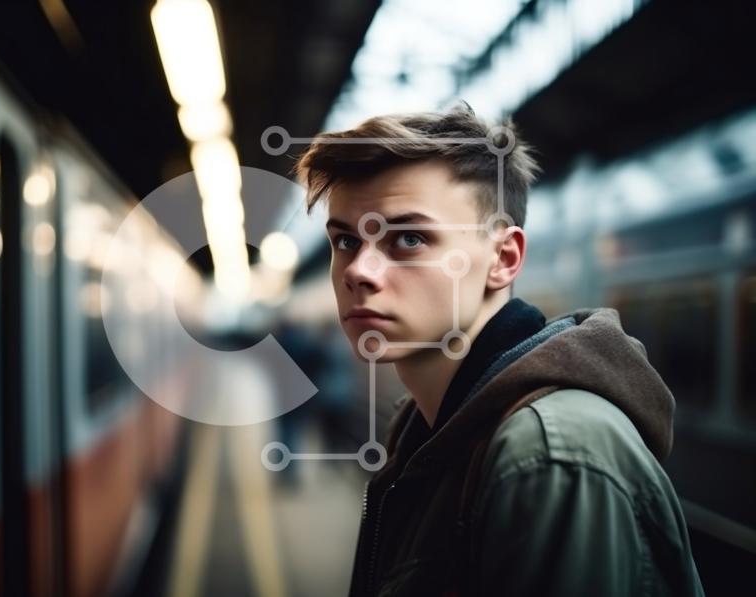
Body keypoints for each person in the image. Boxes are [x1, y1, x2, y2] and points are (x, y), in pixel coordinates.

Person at [294, 104, 705, 597]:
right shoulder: (430, 429)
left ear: (503, 260)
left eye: (408, 238)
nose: (359, 271)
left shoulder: (549, 456)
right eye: (345, 241)